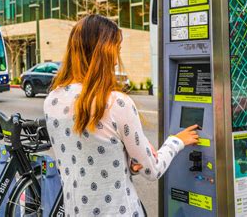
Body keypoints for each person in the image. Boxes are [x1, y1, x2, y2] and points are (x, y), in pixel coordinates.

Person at [44, 14, 199, 216]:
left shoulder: (52, 101)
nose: (117, 61)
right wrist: (177, 141)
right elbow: (152, 170)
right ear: (103, 54)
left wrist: (126, 162)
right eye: (116, 51)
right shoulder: (115, 103)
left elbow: (85, 156)